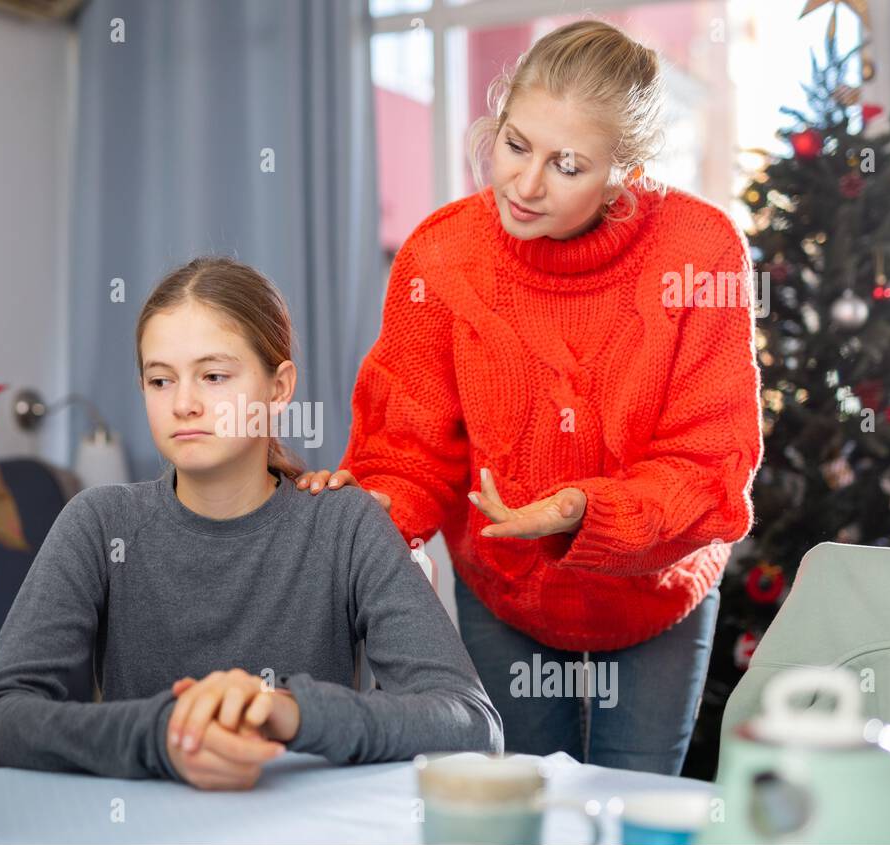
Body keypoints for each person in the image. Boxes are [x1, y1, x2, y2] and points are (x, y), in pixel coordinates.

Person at [297, 19, 763, 776]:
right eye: (515, 144)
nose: (524, 183)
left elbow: (710, 468)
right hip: (504, 587)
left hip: (653, 591)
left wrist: (587, 510)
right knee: (525, 800)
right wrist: (380, 502)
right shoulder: (441, 255)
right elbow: (410, 448)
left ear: (627, 170)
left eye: (568, 164)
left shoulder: (701, 253)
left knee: (629, 803)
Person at [0, 256, 503, 790]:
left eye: (213, 376)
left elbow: (472, 725)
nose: (185, 404)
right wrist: (164, 735)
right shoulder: (99, 524)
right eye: (160, 380)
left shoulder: (344, 523)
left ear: (278, 387)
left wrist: (290, 712)